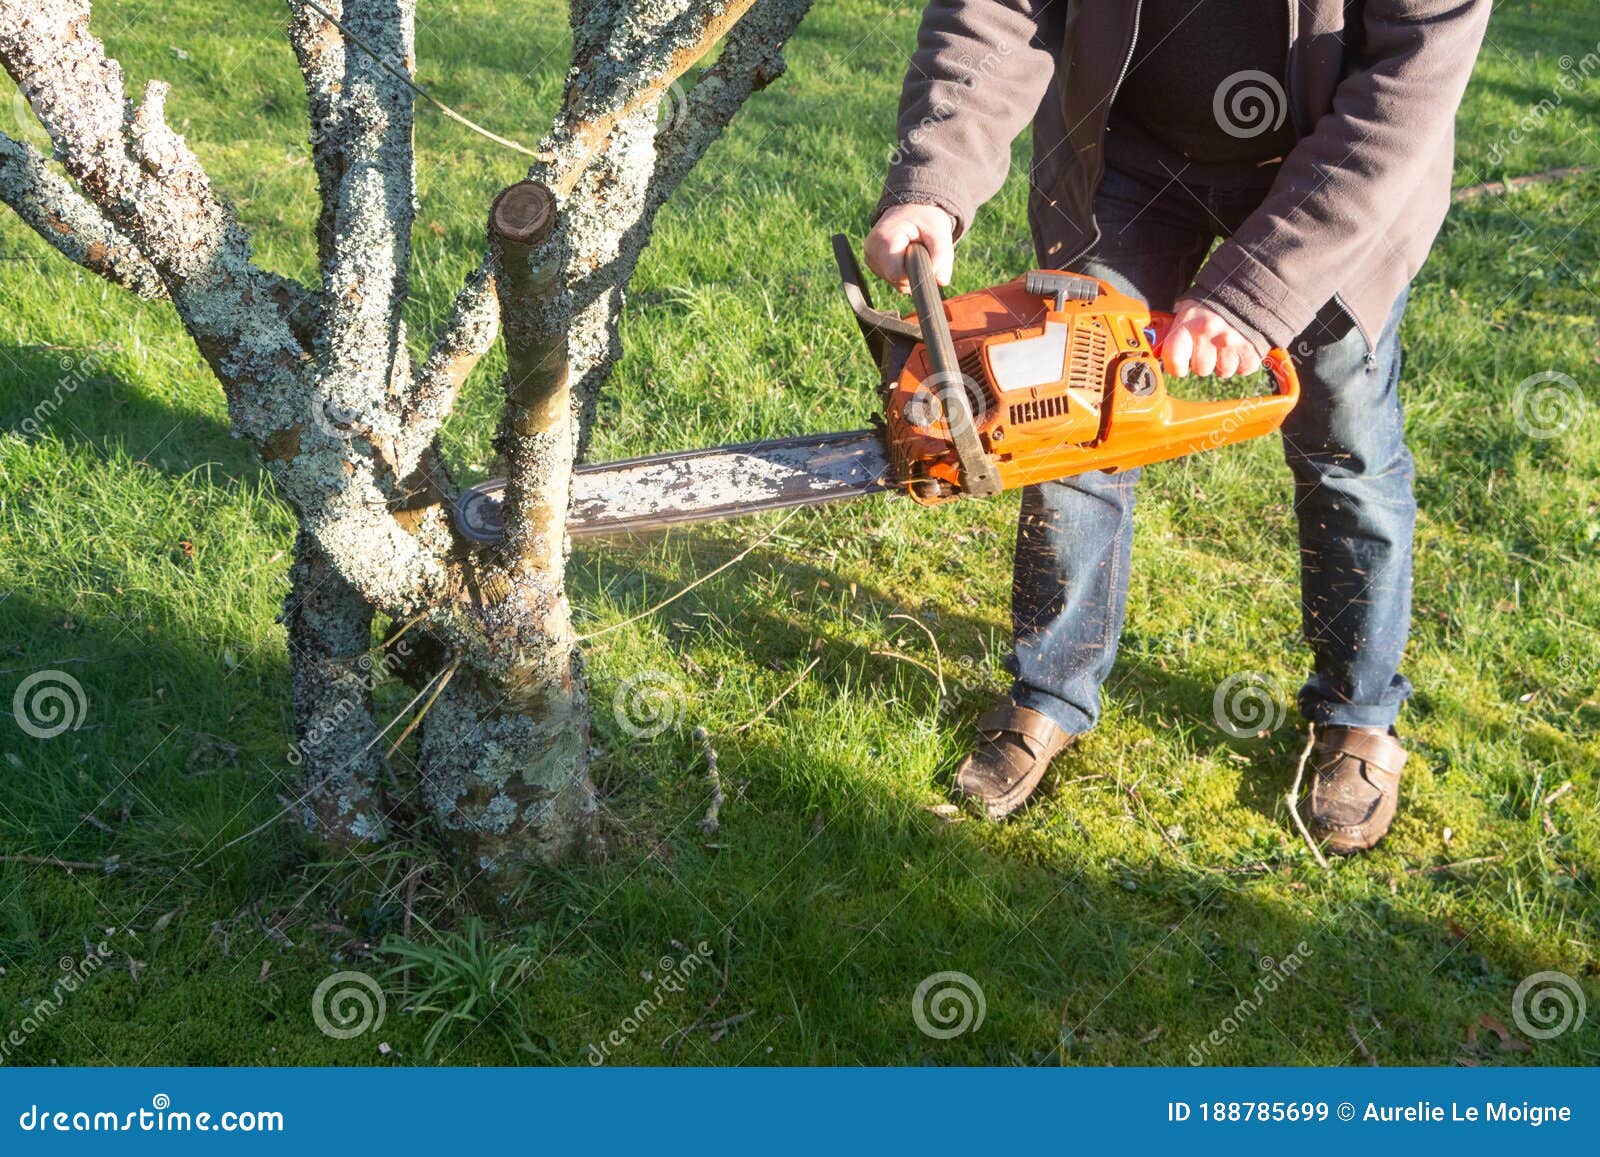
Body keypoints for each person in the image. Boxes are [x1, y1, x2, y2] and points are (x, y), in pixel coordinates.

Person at [865, 0, 1490, 852]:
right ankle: (1051, 691)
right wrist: (934, 182)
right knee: (1073, 417)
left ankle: (1358, 713)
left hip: (1336, 179)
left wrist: (1257, 289)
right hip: (1125, 151)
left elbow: (1406, 87)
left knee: (1344, 443)